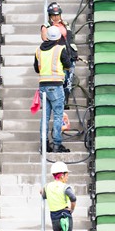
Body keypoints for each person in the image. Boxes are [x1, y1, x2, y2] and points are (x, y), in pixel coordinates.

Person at [34, 25, 74, 154]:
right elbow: (68, 65)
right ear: (57, 38)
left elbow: (36, 68)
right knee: (57, 116)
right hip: (56, 86)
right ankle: (57, 144)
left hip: (42, 86)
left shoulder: (38, 51)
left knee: (44, 117)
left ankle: (44, 145)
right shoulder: (59, 49)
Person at [40, 2, 76, 105]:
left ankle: (65, 102)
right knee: (61, 80)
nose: (55, 17)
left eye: (57, 15)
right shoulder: (46, 26)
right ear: (50, 15)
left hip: (69, 55)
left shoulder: (65, 24)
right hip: (58, 57)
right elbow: (45, 39)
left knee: (69, 81)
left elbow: (70, 38)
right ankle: (58, 102)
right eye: (53, 15)